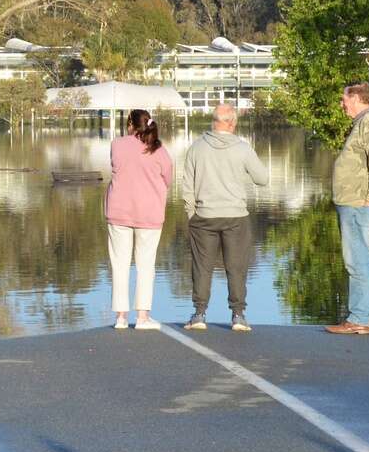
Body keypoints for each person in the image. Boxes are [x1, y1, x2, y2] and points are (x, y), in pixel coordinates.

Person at [180, 102, 269, 332]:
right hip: (235, 216)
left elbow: (187, 185)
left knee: (202, 267)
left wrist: (191, 213)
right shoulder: (242, 148)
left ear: (213, 121)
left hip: (203, 216)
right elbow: (262, 178)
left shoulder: (197, 147)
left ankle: (199, 314)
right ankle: (238, 315)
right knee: (236, 266)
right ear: (232, 123)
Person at [325, 83, 369, 336]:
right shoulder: (363, 122)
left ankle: (359, 317)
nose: (342, 104)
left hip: (356, 201)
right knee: (364, 260)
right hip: (353, 200)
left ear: (357, 99)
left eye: (344, 100)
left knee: (356, 262)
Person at [105, 108, 174, 330]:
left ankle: (121, 317)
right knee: (146, 265)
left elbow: (117, 166)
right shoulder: (159, 150)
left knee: (119, 264)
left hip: (119, 211)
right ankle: (143, 317)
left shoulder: (117, 144)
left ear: (130, 124)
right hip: (149, 212)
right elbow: (168, 177)